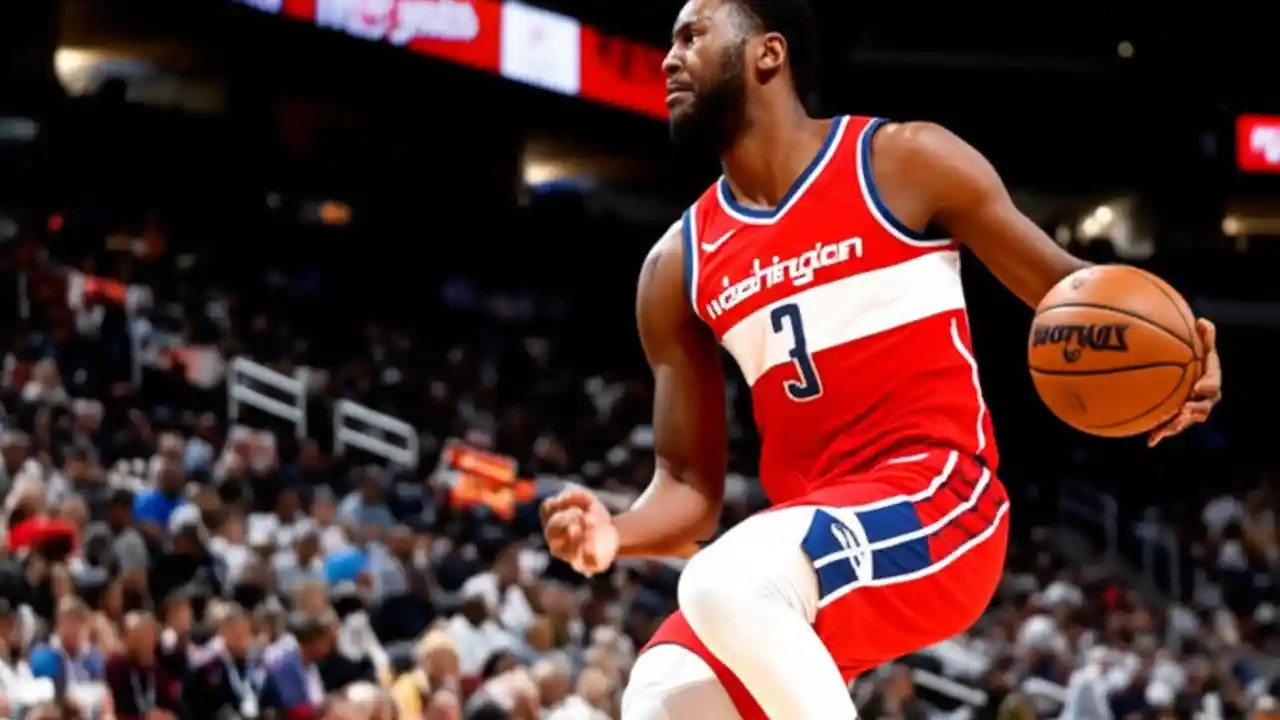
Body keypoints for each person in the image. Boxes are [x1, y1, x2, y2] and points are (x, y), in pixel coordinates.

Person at [540, 0, 1225, 718]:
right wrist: (615, 530)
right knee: (661, 695)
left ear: (766, 54)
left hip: (941, 500)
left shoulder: (903, 161)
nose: (667, 59)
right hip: (816, 544)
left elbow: (1069, 289)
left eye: (691, 36)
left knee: (723, 583)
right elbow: (687, 490)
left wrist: (1182, 353)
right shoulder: (677, 265)